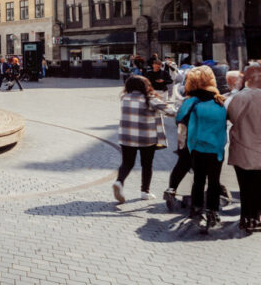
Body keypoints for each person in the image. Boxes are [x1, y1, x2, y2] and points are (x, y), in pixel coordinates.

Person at [174, 65, 229, 233]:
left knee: (198, 180)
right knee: (214, 182)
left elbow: (179, 118)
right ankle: (213, 213)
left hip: (197, 148)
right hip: (217, 149)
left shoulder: (192, 102)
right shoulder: (220, 100)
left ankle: (197, 210)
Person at [112, 76, 173, 203]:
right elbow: (171, 111)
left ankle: (119, 182)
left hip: (126, 136)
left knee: (127, 163)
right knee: (146, 164)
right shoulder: (149, 99)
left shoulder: (125, 98)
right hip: (147, 137)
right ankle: (145, 191)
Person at [227, 64, 261, 234]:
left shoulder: (241, 97)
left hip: (244, 147)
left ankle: (247, 218)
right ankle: (256, 217)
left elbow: (232, 117)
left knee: (246, 187)